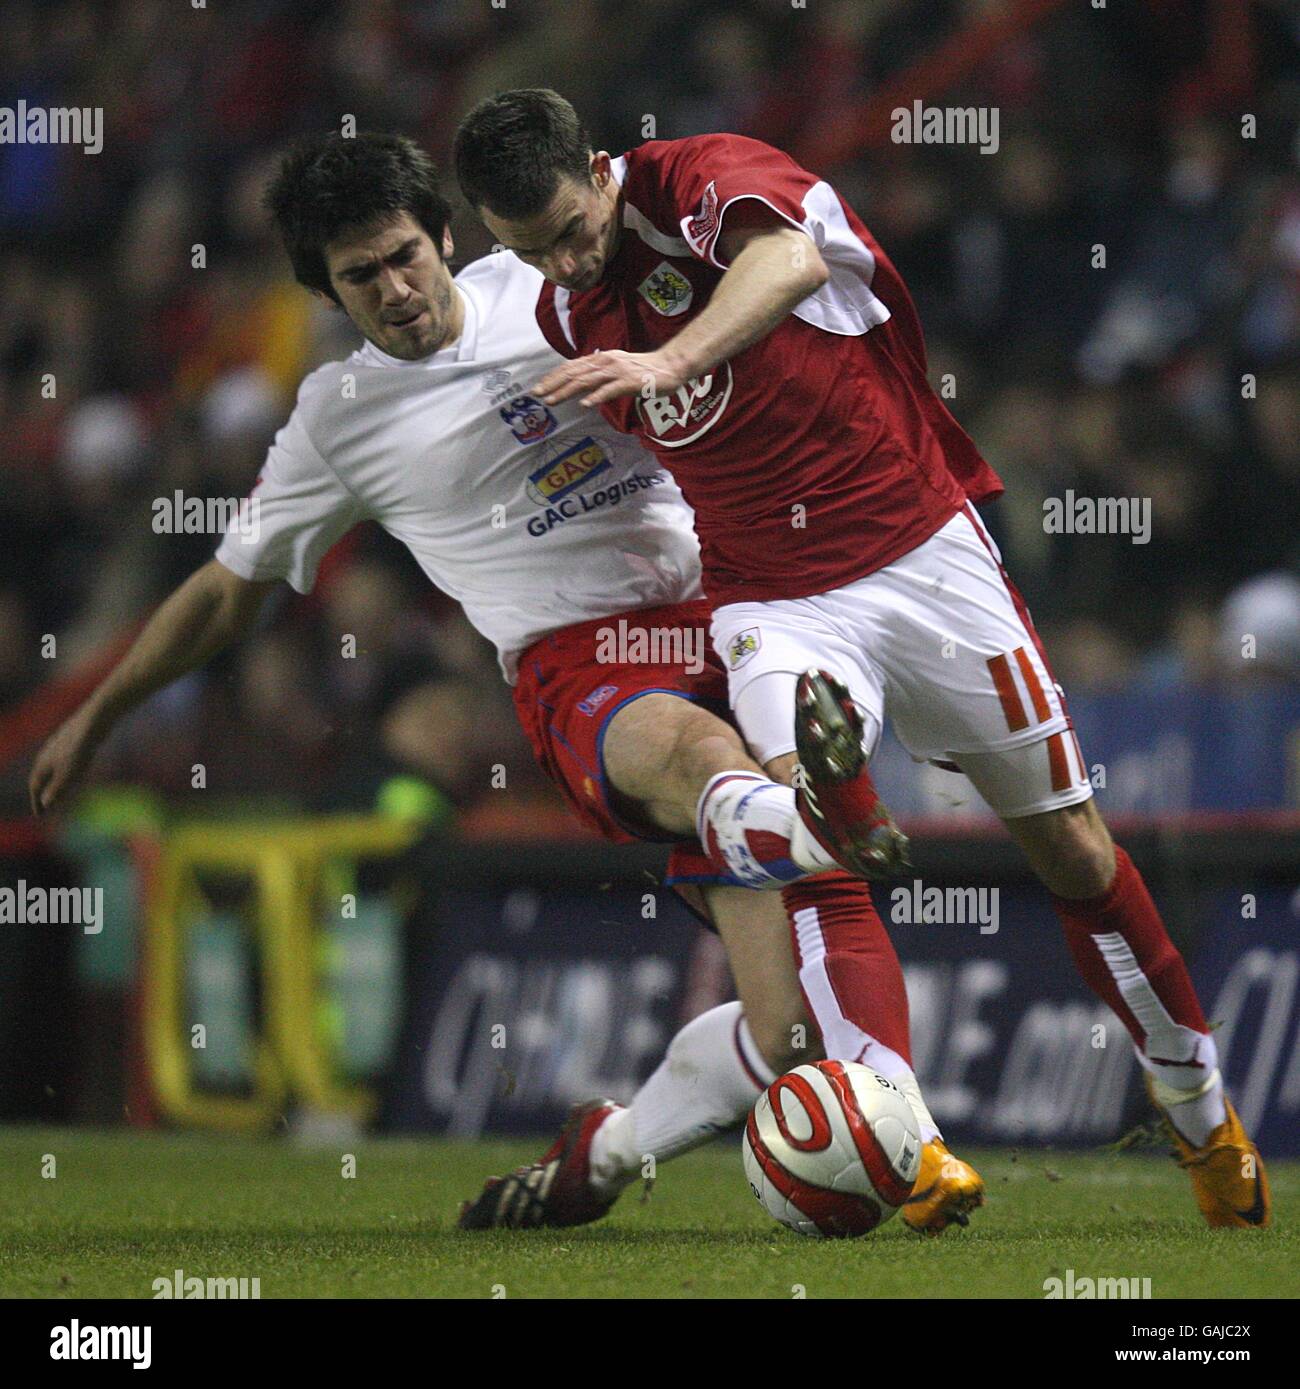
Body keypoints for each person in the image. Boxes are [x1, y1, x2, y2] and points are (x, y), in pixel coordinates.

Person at [28, 132, 980, 1234]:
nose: (392, 289)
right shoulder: (338, 419)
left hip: (729, 608)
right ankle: (826, 830)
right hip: (584, 670)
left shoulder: (544, 286)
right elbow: (224, 593)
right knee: (714, 764)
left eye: (402, 257)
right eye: (358, 277)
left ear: (443, 235)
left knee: (786, 1044)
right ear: (325, 291)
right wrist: (99, 713)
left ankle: (608, 1151)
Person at [453, 90, 1270, 1227]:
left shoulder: (703, 177)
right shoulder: (555, 310)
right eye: (529, 249)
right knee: (799, 839)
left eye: (571, 229)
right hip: (769, 600)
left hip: (919, 553)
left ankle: (1200, 1112)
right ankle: (904, 1124)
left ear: (599, 171)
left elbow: (787, 261)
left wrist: (666, 359)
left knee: (1075, 853)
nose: (565, 259)